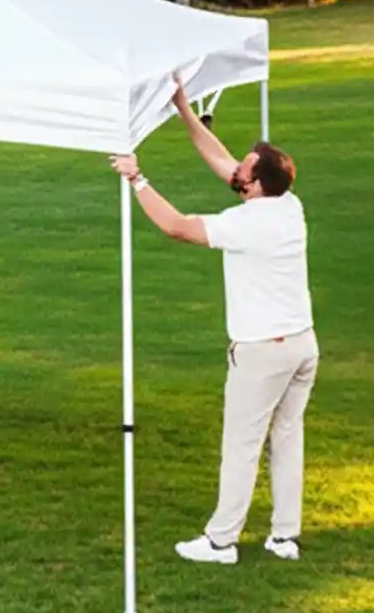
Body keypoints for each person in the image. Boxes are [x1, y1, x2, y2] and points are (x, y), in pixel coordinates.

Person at [109, 80, 317, 564]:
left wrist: (137, 179)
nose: (236, 169)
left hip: (263, 351)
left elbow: (176, 226)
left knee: (241, 444)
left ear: (257, 183)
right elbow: (223, 162)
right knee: (287, 438)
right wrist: (183, 107)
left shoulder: (247, 224)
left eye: (245, 168)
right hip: (302, 346)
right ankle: (284, 536)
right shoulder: (288, 205)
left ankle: (221, 541)